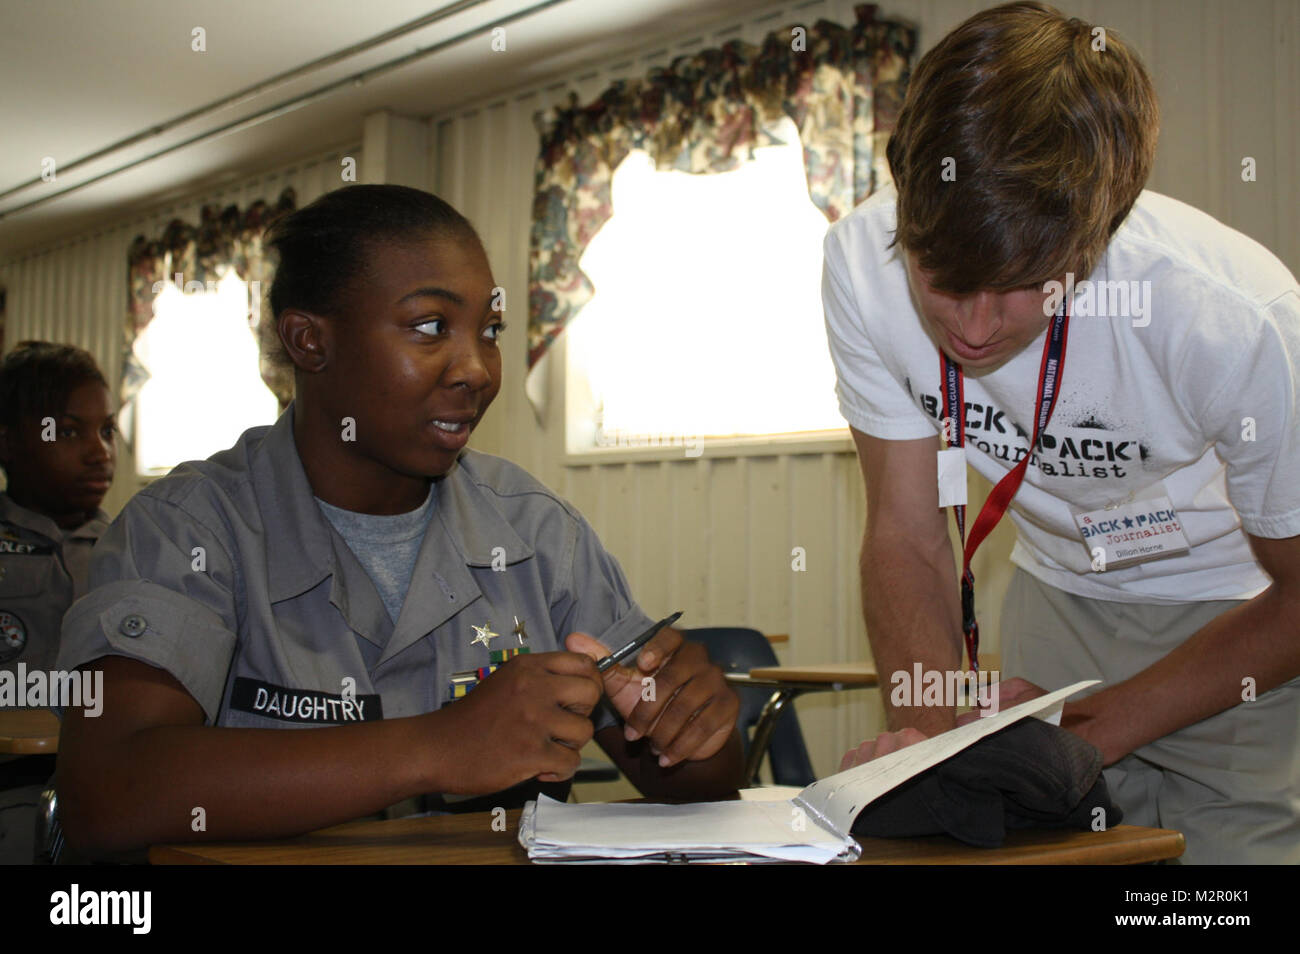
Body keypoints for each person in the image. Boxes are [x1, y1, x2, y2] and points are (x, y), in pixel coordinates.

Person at [55, 185, 743, 859]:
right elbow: (108, 793)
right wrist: (440, 745)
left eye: (490, 331)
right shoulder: (189, 531)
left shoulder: (535, 533)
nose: (477, 368)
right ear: (309, 341)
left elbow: (689, 780)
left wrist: (696, 722)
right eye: (431, 327)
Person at [823, 2, 1299, 863]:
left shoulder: (1231, 316)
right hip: (1057, 598)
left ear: (1096, 238)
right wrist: (940, 748)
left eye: (1018, 286)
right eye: (942, 279)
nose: (971, 329)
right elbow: (904, 533)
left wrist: (1098, 722)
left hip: (1236, 616)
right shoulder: (861, 264)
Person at [0, 341, 115, 864]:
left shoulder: (136, 548)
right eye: (69, 432)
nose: (99, 451)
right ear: (8, 441)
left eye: (106, 430)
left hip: (111, 783)